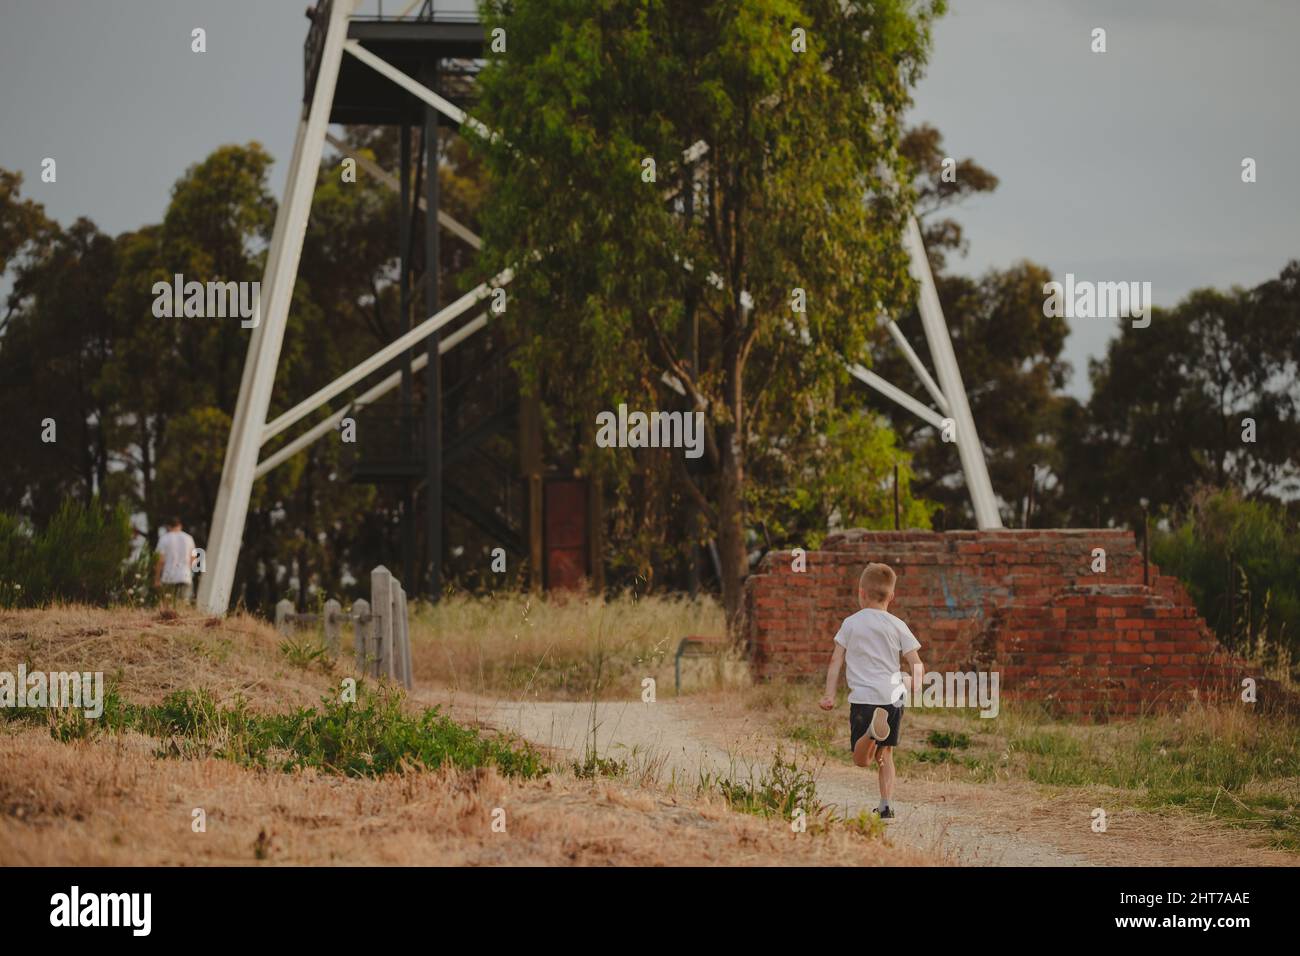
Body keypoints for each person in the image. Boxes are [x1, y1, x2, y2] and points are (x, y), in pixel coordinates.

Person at [818, 562, 924, 820]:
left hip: (865, 698)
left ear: (861, 592)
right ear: (892, 596)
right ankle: (886, 805)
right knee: (885, 754)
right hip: (893, 697)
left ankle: (870, 732)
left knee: (861, 759)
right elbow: (916, 664)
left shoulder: (851, 623)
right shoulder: (898, 625)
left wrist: (829, 694)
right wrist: (914, 685)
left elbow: (836, 661)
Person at [154, 516, 197, 609]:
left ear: (168, 527)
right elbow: (193, 558)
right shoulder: (189, 538)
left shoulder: (164, 539)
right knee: (182, 605)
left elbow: (160, 560)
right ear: (180, 525)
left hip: (168, 576)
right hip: (185, 576)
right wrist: (189, 571)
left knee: (167, 606)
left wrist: (157, 578)